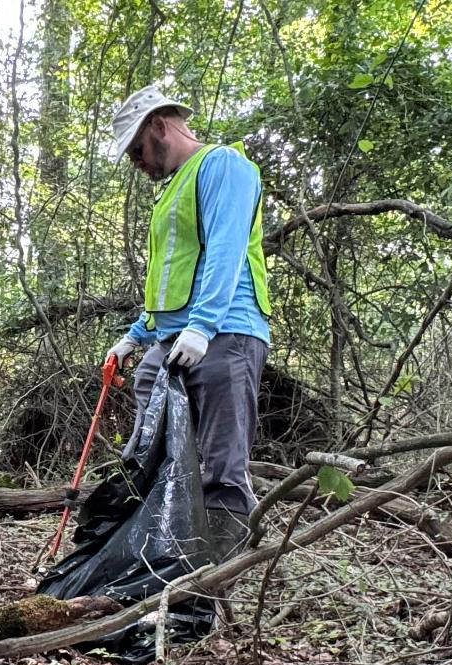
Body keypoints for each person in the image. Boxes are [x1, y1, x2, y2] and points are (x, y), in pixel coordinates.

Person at [105, 83, 272, 563]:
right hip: (176, 337)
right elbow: (171, 280)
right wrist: (134, 336)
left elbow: (225, 250)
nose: (137, 162)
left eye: (137, 149)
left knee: (222, 466)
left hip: (226, 334)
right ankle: (155, 562)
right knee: (147, 451)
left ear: (159, 126)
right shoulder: (171, 191)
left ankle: (212, 588)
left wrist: (203, 327)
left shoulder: (223, 167)